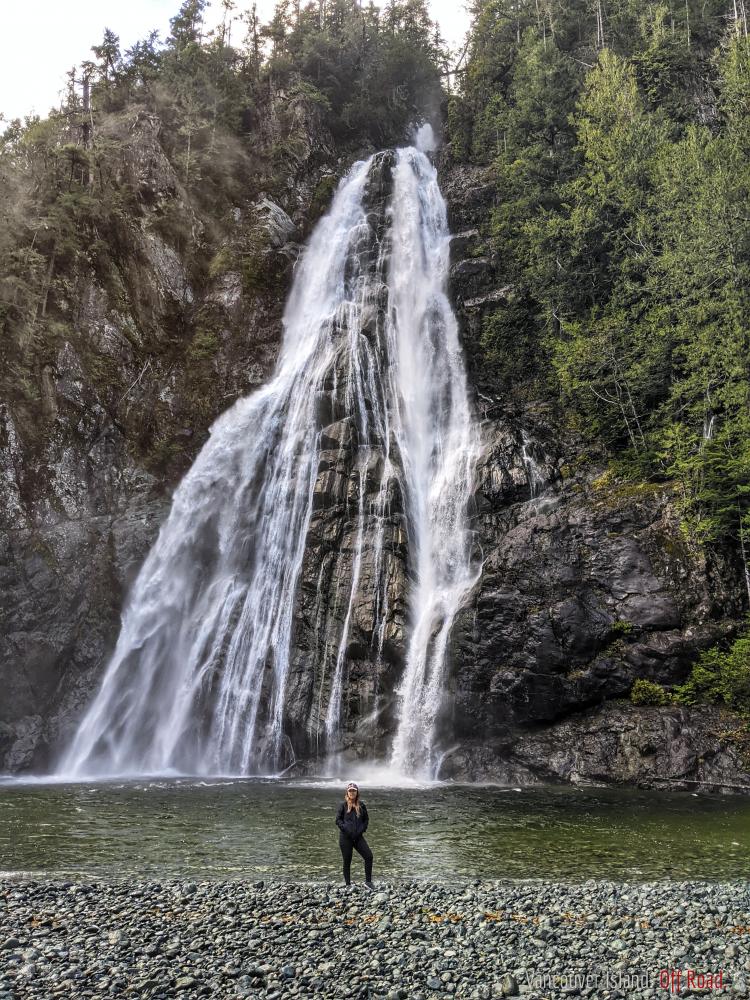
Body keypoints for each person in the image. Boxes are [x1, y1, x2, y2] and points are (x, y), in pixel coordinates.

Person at [335, 781, 374, 889]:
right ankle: (348, 884)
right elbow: (338, 820)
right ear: (347, 793)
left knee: (369, 856)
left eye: (354, 791)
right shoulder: (343, 806)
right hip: (345, 838)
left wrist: (361, 830)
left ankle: (368, 882)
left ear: (357, 793)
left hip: (358, 837)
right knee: (347, 861)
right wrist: (347, 830)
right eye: (350, 791)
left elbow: (366, 820)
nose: (352, 792)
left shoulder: (361, 805)